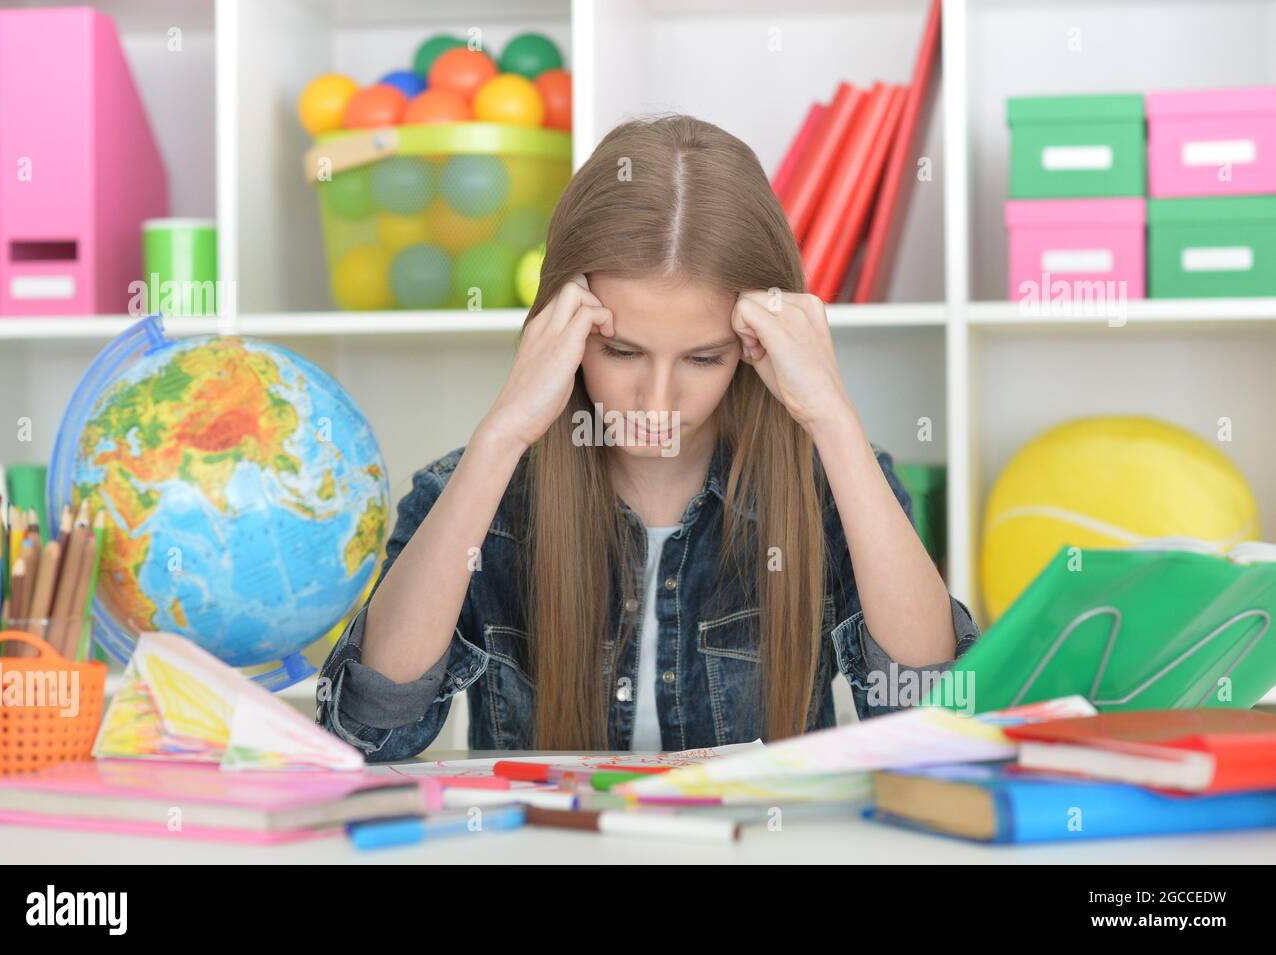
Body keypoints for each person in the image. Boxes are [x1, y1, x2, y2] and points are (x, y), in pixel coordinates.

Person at [315, 113, 981, 761]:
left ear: (755, 347)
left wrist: (832, 416)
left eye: (703, 358)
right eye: (624, 352)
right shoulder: (471, 493)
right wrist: (503, 434)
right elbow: (370, 728)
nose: (656, 401)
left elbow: (932, 717)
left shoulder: (830, 489)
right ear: (564, 329)